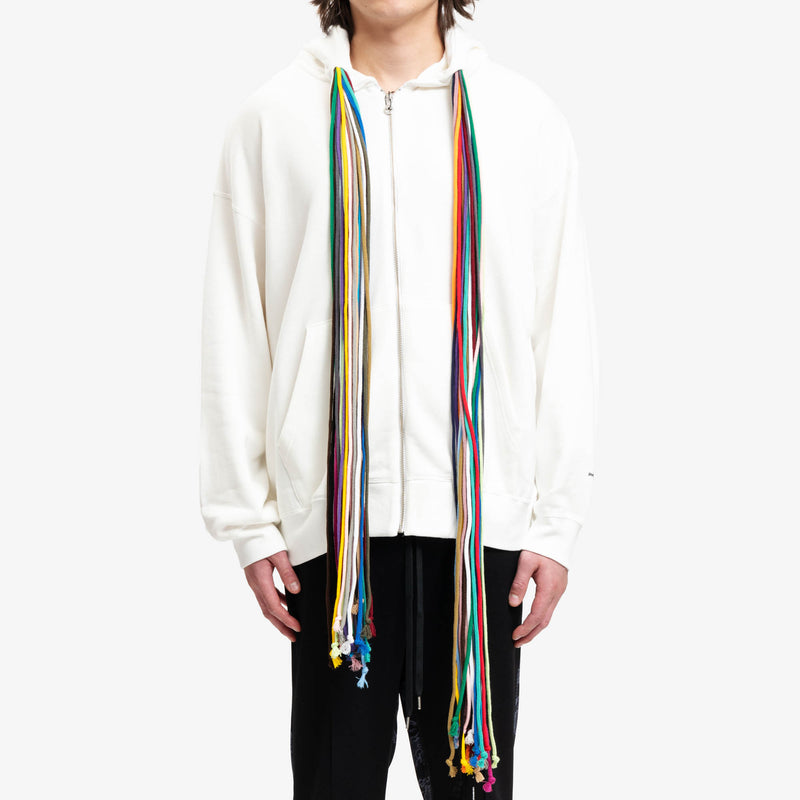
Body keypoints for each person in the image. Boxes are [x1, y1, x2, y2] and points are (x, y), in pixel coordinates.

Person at [199, 1, 599, 798]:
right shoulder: (271, 121)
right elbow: (237, 325)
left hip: (480, 530)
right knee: (332, 785)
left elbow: (560, 326)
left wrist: (555, 520)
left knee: (473, 787)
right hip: (335, 533)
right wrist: (248, 519)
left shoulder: (521, 119)